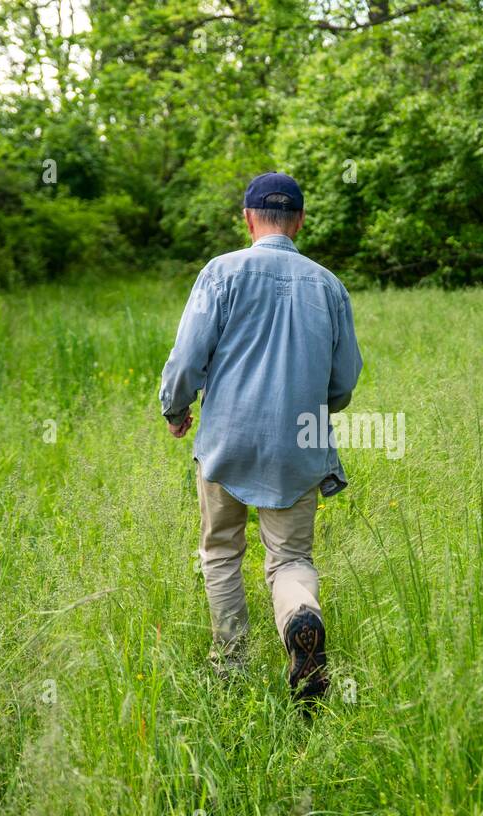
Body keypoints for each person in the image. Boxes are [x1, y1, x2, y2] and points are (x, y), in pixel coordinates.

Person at [159, 172, 363, 700]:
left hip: (226, 443)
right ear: (298, 222)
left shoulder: (220, 273)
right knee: (291, 560)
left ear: (248, 219)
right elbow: (344, 381)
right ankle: (301, 618)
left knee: (222, 551)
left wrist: (176, 408)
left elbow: (186, 359)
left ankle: (230, 665)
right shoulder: (329, 285)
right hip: (299, 446)